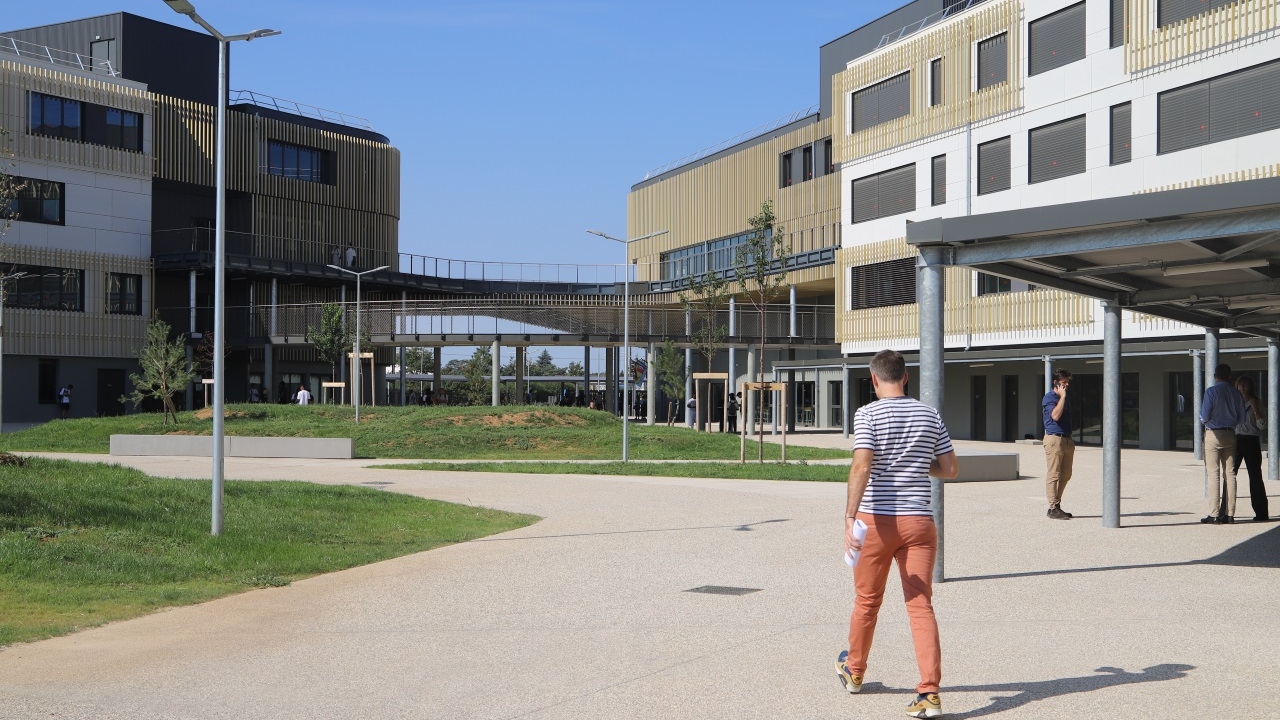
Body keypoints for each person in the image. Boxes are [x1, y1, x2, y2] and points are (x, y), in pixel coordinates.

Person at [837, 349, 958, 719]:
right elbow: (950, 468)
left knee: (867, 601)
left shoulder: (868, 413)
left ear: (874, 380)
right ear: (905, 377)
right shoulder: (929, 414)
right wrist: (917, 467)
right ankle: (929, 693)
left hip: (877, 521)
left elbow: (861, 465)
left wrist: (848, 516)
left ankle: (855, 670)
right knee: (920, 605)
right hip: (920, 522)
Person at [1201, 364, 1246, 524]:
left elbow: (1204, 416)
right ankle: (1230, 514)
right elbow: (1242, 419)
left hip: (1213, 433)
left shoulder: (1211, 391)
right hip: (1230, 433)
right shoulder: (1237, 393)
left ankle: (1214, 514)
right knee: (1230, 474)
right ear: (1229, 375)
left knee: (1213, 473)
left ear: (1215, 375)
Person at [1232, 374, 1268, 522]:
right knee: (1230, 474)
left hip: (1251, 440)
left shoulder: (1257, 402)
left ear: (1250, 386)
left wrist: (1255, 409)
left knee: (1255, 476)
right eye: (1240, 384)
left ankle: (1261, 513)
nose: (1242, 387)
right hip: (1235, 439)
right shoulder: (1234, 401)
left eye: (1245, 384)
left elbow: (1262, 426)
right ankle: (1226, 512)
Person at [1042, 368, 1075, 520]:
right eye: (1063, 382)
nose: (1066, 385)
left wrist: (1063, 397)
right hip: (1054, 439)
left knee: (1066, 474)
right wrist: (1062, 397)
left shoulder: (1065, 398)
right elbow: (1055, 416)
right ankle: (1053, 507)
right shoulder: (1049, 398)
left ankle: (1056, 505)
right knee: (1054, 474)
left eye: (1067, 382)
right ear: (1055, 383)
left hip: (1067, 440)